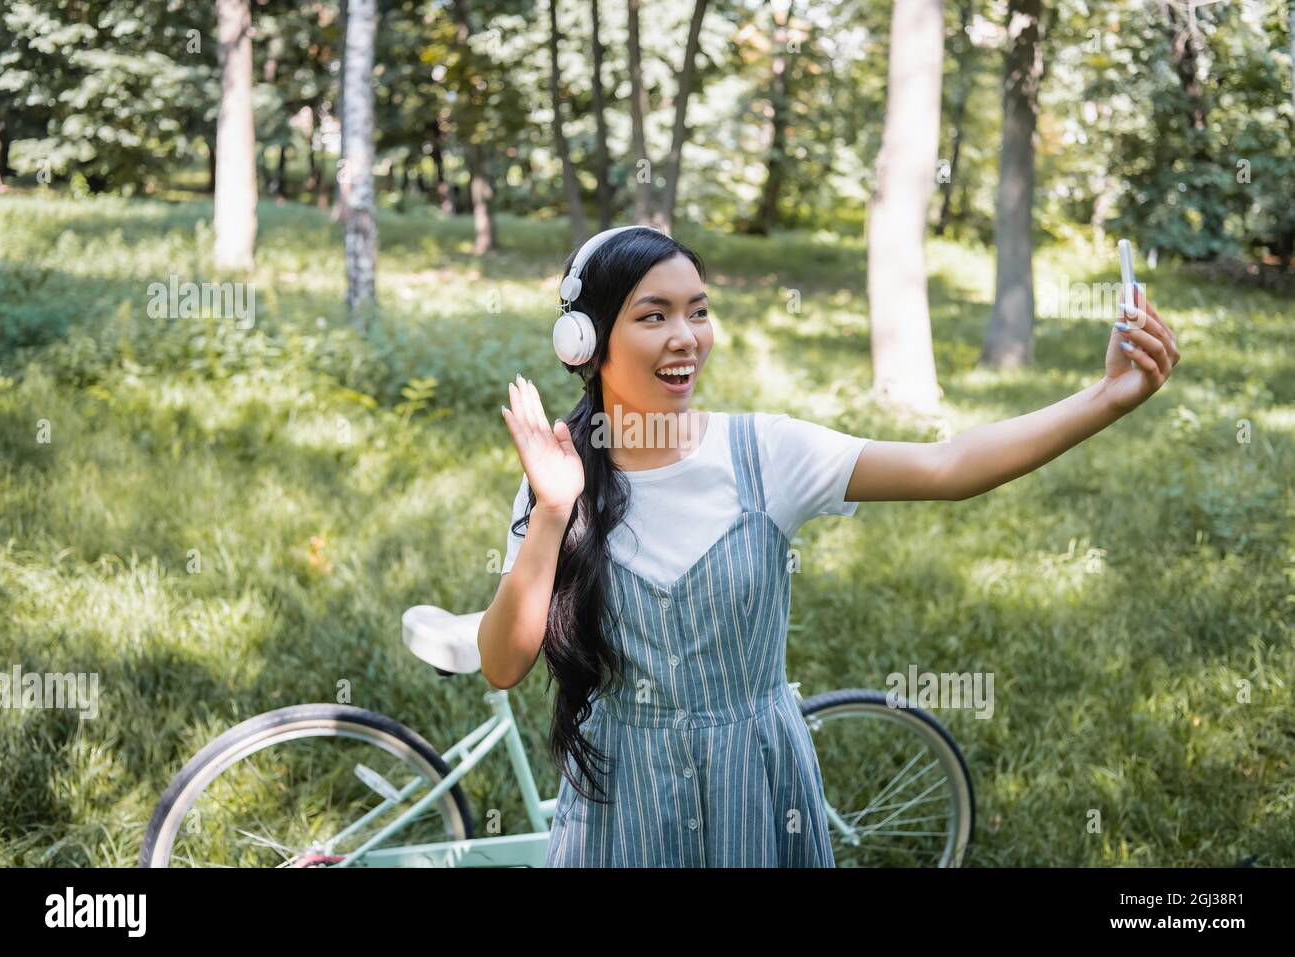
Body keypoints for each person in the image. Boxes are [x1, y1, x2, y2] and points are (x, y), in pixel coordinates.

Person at [477, 225, 1180, 867]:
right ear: (585, 340)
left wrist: (1107, 397)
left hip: (757, 786)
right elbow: (503, 663)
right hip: (619, 799)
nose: (687, 336)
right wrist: (551, 512)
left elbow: (948, 467)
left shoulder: (766, 452)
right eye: (653, 315)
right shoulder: (559, 478)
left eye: (698, 310)